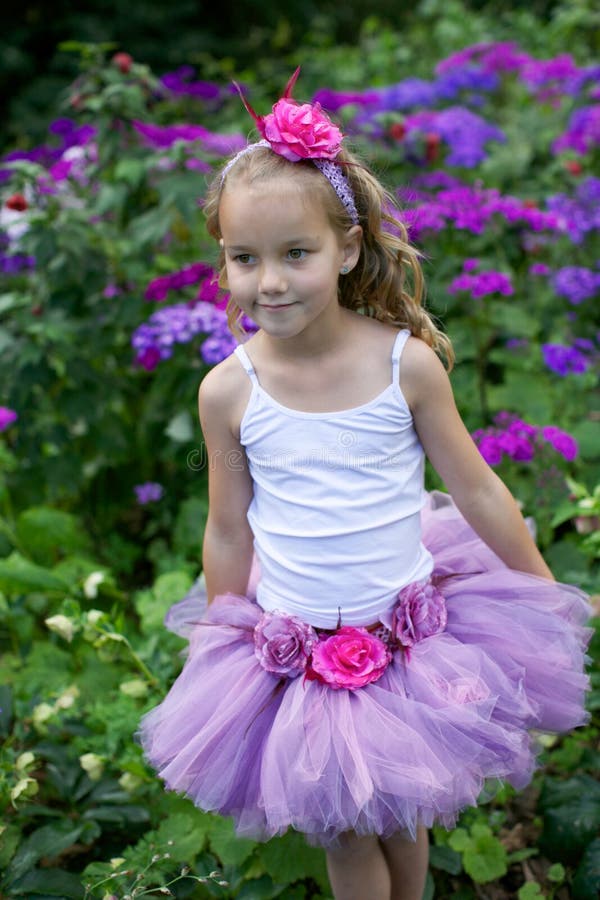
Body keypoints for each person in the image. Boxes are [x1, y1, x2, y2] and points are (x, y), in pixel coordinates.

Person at [139, 70, 591, 900]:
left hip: (410, 640)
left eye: (295, 254)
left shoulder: (403, 365)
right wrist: (222, 629)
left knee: (406, 815)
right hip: (300, 648)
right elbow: (230, 527)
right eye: (245, 258)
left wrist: (539, 590)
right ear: (224, 260)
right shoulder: (228, 390)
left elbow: (480, 490)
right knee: (346, 828)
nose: (268, 280)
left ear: (346, 249)